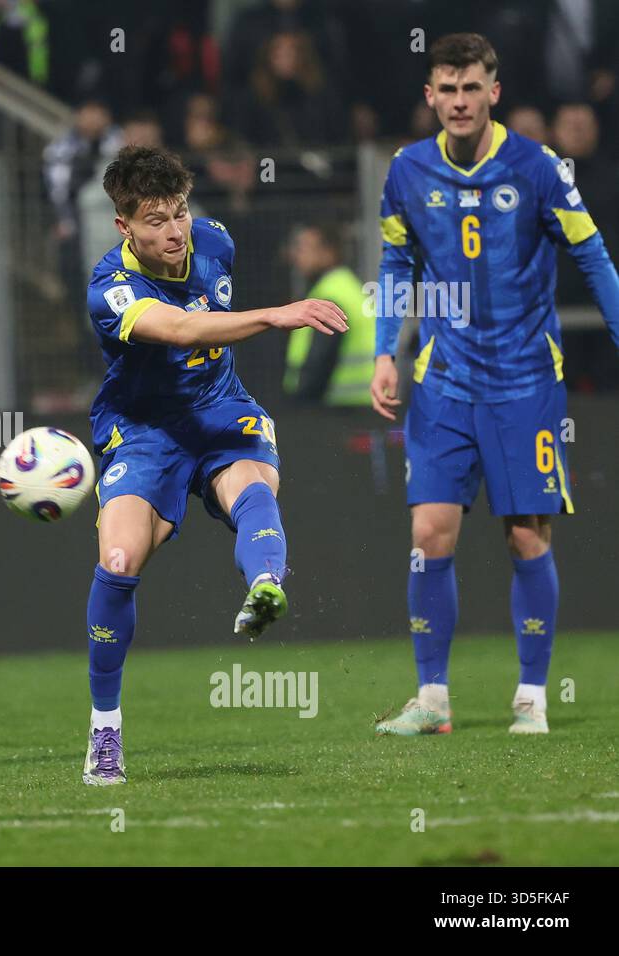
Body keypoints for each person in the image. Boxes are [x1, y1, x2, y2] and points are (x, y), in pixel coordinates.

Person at [370, 34, 619, 737]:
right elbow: (394, 263)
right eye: (446, 89)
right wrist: (386, 351)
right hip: (444, 380)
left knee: (526, 538)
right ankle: (432, 700)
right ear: (430, 96)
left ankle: (532, 696)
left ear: (493, 92)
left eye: (470, 88)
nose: (458, 101)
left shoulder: (536, 167)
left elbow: (592, 255)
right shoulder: (407, 171)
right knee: (429, 533)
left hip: (524, 381)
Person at [81, 145, 347, 784]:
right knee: (119, 561)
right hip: (143, 428)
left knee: (253, 487)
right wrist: (276, 315)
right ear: (125, 227)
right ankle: (105, 732)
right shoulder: (108, 289)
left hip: (221, 408)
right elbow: (179, 330)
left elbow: (205, 326)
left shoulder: (216, 241)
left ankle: (265, 586)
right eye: (154, 221)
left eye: (178, 213)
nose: (174, 232)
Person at [282, 223, 373, 405]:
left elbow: (321, 360)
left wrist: (300, 403)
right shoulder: (347, 286)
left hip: (337, 410)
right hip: (359, 405)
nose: (297, 255)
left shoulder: (330, 295)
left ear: (328, 252)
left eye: (304, 248)